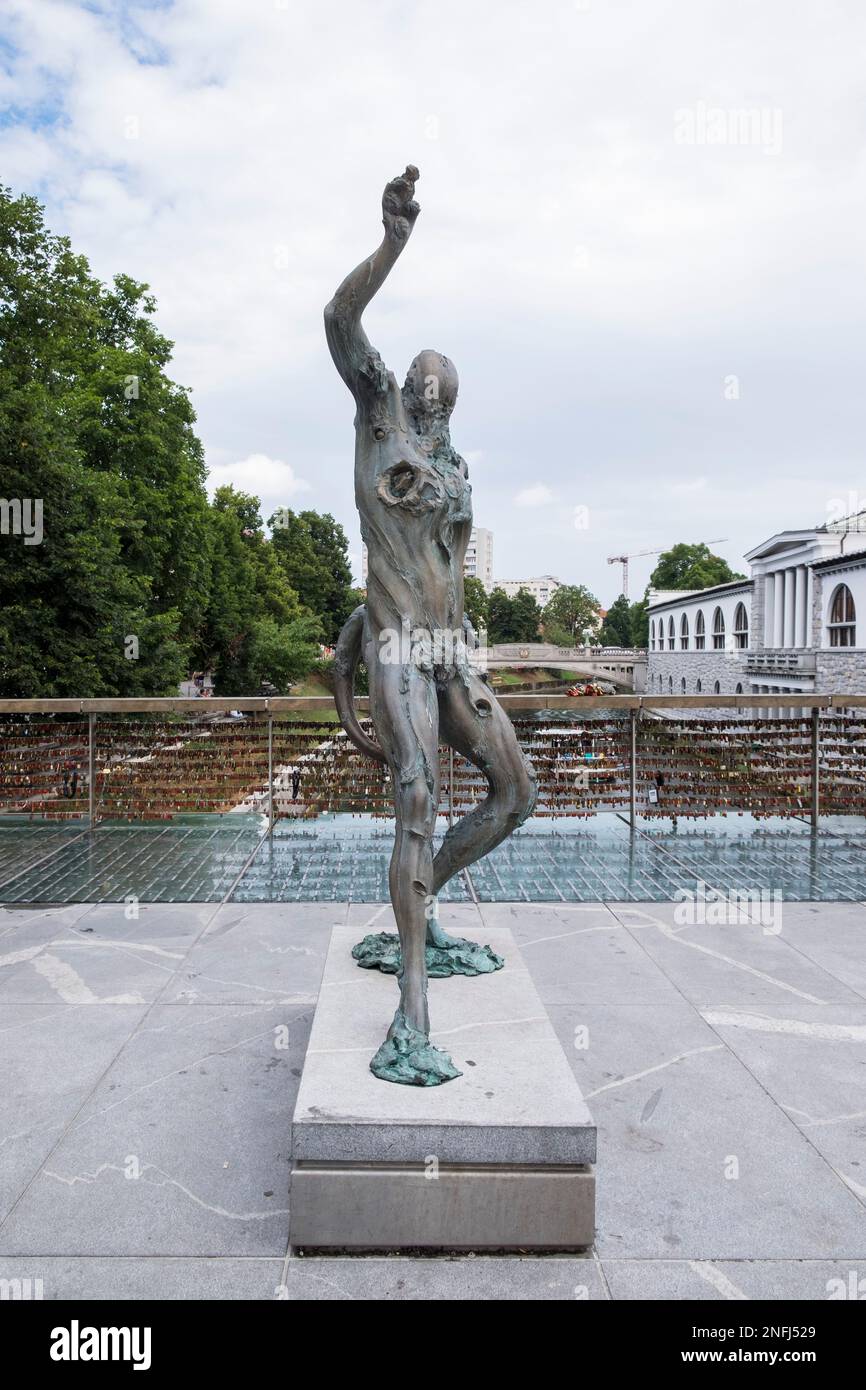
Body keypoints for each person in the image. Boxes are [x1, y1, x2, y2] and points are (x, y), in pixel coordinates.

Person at [326, 166, 536, 1085]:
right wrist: (392, 247)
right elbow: (339, 321)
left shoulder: (452, 466)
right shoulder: (378, 421)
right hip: (400, 646)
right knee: (416, 792)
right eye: (424, 385)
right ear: (401, 387)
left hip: (453, 650)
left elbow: (450, 559)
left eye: (445, 393)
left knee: (515, 795)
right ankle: (410, 1012)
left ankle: (420, 909)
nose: (432, 398)